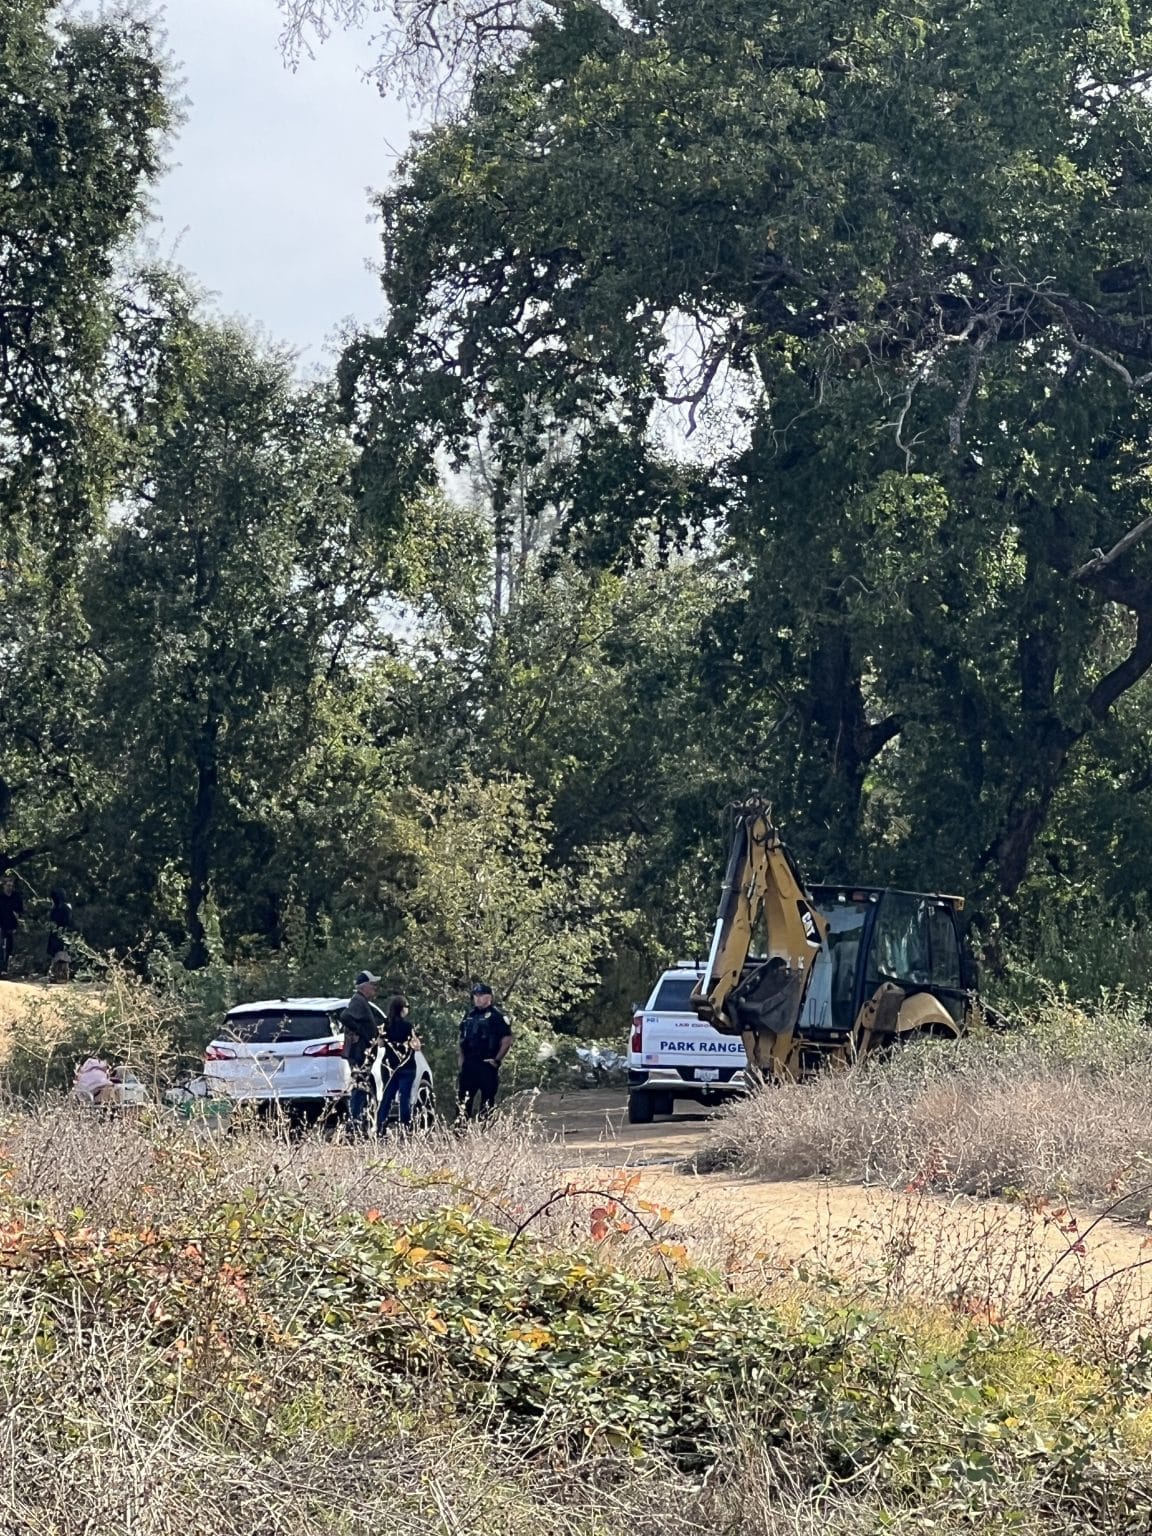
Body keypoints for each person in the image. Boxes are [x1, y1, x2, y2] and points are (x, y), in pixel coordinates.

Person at [457, 982, 512, 1123]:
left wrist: (497, 1060)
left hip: (487, 1064)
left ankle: (484, 1131)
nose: (478, 998)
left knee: (487, 1102)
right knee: (463, 1101)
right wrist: (461, 1061)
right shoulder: (469, 1015)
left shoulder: (497, 1016)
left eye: (481, 995)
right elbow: (461, 1039)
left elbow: (506, 1040)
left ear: (489, 997)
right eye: (475, 995)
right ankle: (460, 1131)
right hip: (469, 1064)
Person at [341, 969, 382, 1135]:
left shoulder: (362, 1001)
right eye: (372, 985)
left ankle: (359, 1122)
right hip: (359, 1054)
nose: (374, 988)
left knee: (362, 1086)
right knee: (359, 1086)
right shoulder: (358, 1000)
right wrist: (361, 1032)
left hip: (363, 1053)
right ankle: (354, 1123)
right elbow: (345, 1016)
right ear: (364, 987)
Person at [376, 994, 421, 1134]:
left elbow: (380, 1044)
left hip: (389, 1066)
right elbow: (416, 1046)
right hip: (407, 1066)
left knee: (387, 1097)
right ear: (402, 1009)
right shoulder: (408, 1026)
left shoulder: (386, 1026)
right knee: (404, 1098)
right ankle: (406, 1128)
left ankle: (380, 1128)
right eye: (407, 1006)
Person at [0, 874, 23, 977]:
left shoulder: (16, 897)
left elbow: (20, 910)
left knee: (9, 947)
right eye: (8, 885)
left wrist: (17, 916)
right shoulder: (0, 896)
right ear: (4, 886)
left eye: (11, 885)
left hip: (11, 925)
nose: (10, 887)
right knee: (1, 946)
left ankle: (5, 969)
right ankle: (2, 968)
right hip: (1, 924)